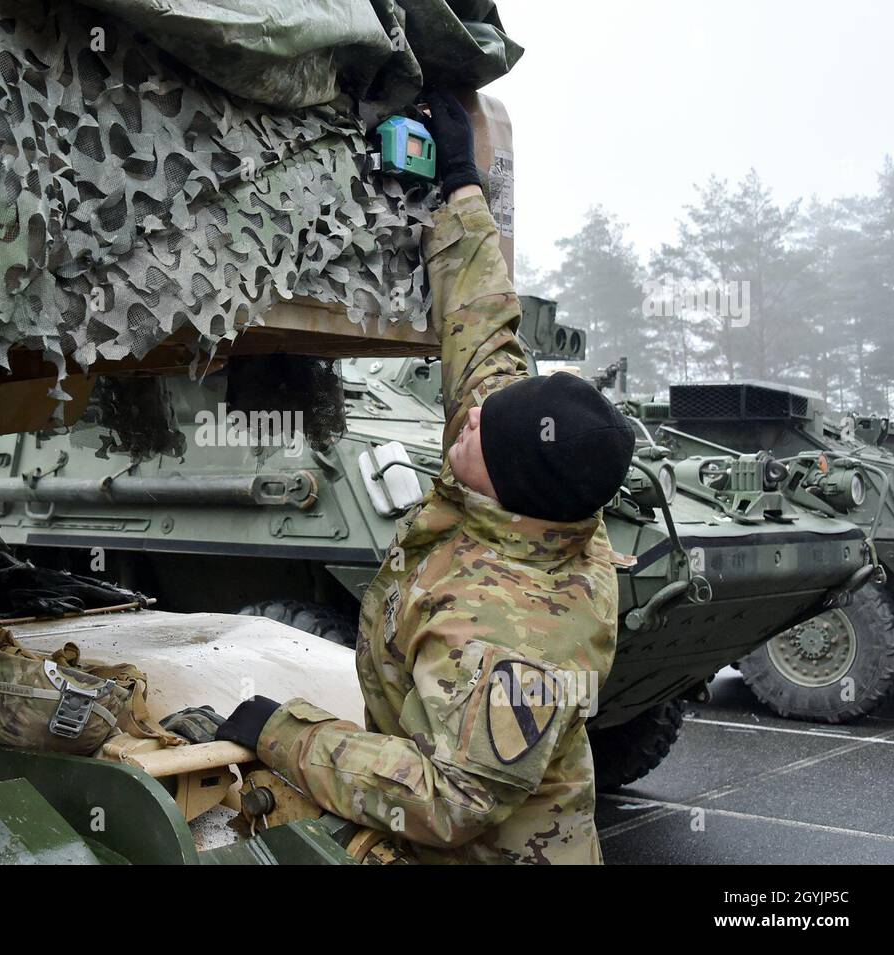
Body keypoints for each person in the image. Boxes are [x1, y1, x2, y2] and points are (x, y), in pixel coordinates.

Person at [214, 90, 636, 864]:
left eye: (482, 429)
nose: (467, 417)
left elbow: (451, 801)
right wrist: (462, 184)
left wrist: (284, 733)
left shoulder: (516, 639)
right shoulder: (542, 495)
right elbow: (487, 344)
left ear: (508, 485)